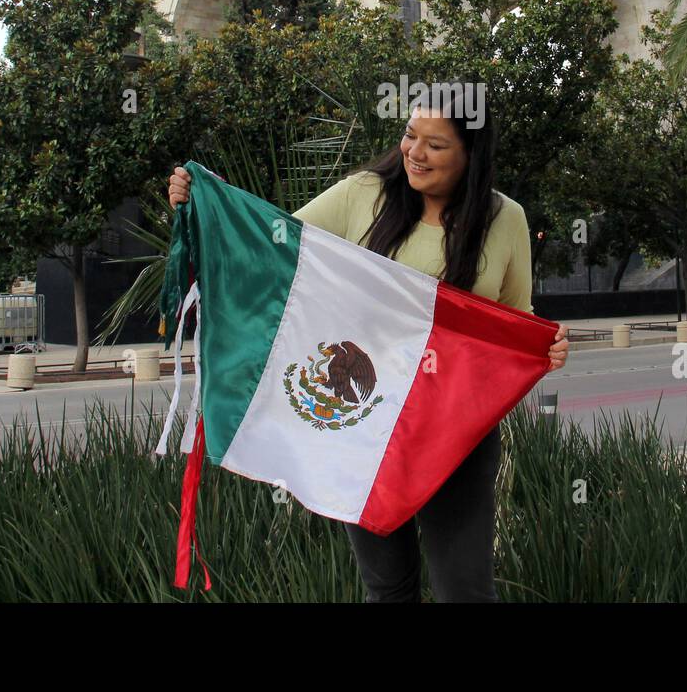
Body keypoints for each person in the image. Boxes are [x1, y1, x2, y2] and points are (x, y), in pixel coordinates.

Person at [166, 84, 569, 602]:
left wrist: (548, 347)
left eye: (435, 144)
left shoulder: (504, 217)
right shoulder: (363, 194)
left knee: (465, 590)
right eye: (409, 135)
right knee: (387, 590)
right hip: (365, 430)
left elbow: (517, 319)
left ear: (472, 154)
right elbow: (275, 247)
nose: (414, 153)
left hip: (457, 432)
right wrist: (205, 203)